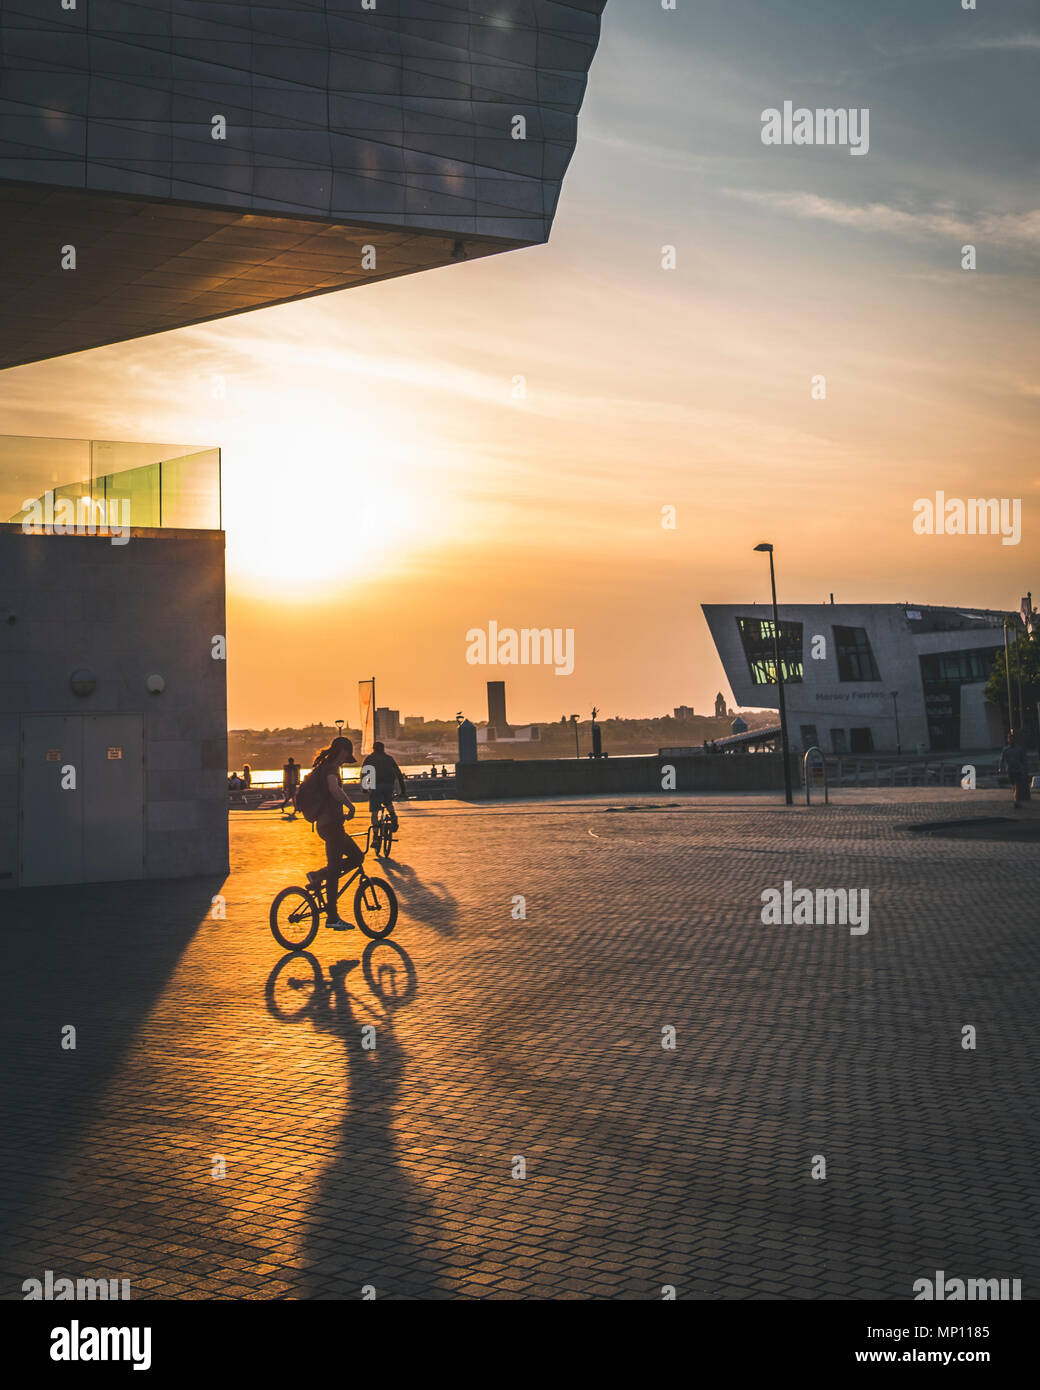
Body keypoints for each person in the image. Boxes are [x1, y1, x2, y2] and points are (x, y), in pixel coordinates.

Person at [305, 736, 364, 929]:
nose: (344, 760)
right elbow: (334, 789)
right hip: (331, 824)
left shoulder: (325, 766)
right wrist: (350, 806)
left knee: (356, 857)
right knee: (337, 867)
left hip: (328, 825)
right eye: (346, 756)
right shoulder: (331, 768)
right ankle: (332, 917)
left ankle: (318, 876)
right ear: (343, 752)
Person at [362, 740, 407, 834]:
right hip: (388, 785)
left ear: (373, 749)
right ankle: (393, 817)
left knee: (374, 812)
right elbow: (398, 774)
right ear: (383, 749)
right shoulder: (389, 758)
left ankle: (375, 835)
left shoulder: (369, 759)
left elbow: (364, 773)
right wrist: (403, 790)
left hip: (375, 785)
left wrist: (365, 788)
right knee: (388, 802)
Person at [999, 730, 1030, 807]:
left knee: (1018, 785)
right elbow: (1001, 760)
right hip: (1010, 771)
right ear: (1008, 740)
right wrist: (1000, 768)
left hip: (1018, 770)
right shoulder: (1005, 750)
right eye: (1009, 738)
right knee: (1014, 786)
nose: (1011, 740)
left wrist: (1025, 768)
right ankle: (1017, 799)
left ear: (1014, 740)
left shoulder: (1019, 749)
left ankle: (1017, 801)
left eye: (1012, 738)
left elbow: (1024, 760)